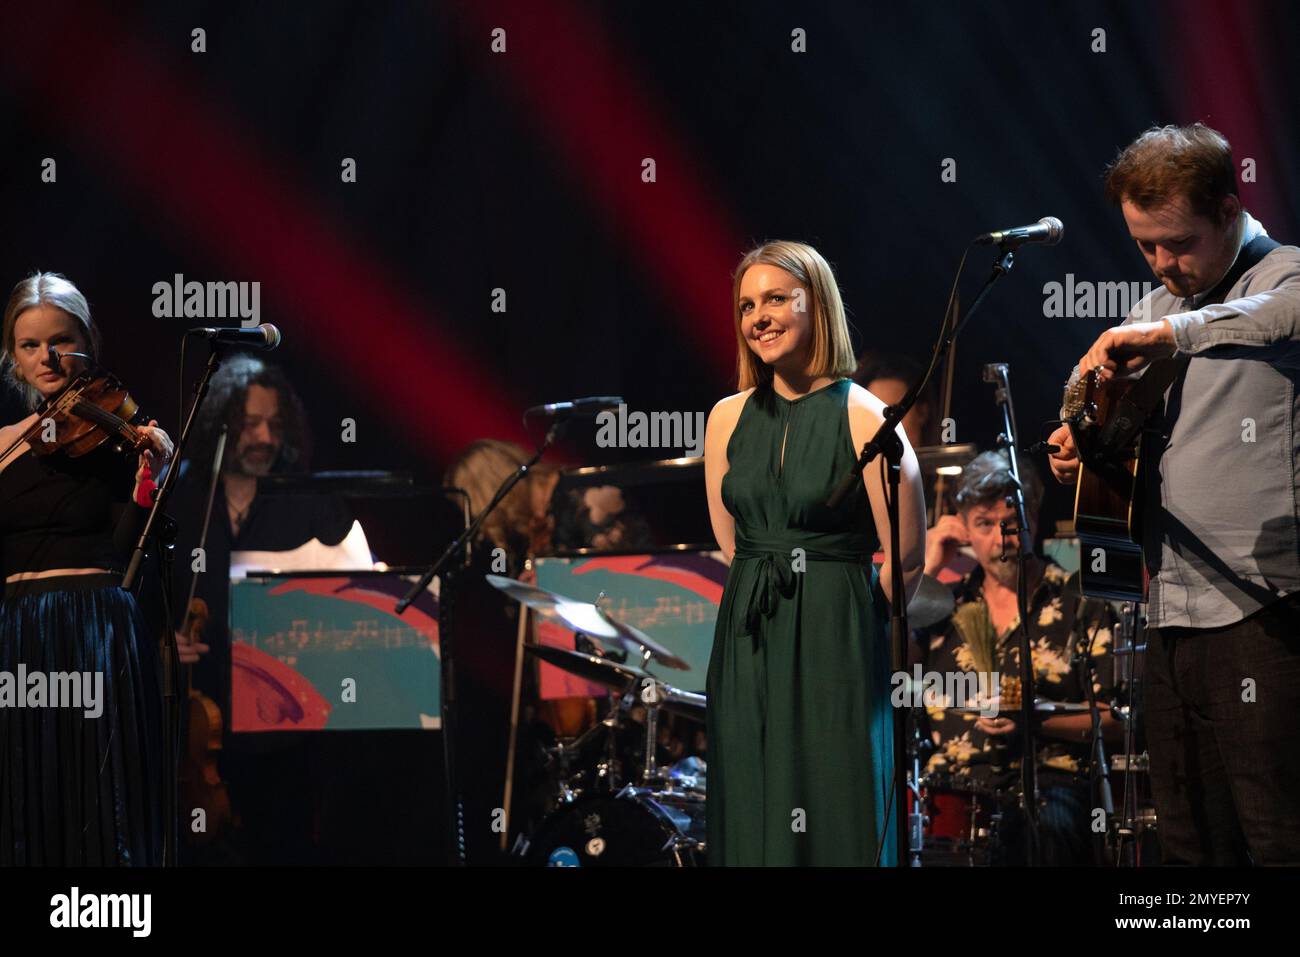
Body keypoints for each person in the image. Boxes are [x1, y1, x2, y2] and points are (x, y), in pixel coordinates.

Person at [1047, 123, 1300, 865]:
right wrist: (1081, 447)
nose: (1163, 263)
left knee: (1280, 838)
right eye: (1145, 246)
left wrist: (1169, 334)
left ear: (1229, 209)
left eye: (1177, 243)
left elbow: (1278, 319)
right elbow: (1115, 430)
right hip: (1171, 613)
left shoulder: (1282, 276)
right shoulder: (1152, 309)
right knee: (1191, 849)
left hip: (1267, 612)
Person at [703, 240, 927, 865]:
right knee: (751, 796)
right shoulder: (726, 417)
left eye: (776, 299)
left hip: (838, 636)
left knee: (834, 802)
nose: (759, 317)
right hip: (748, 635)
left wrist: (850, 626)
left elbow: (907, 558)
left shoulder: (866, 415)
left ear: (817, 307)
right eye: (748, 305)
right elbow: (731, 540)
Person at [0, 272, 174, 865]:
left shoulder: (117, 432)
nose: (46, 357)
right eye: (29, 345)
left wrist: (150, 481)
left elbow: (128, 549)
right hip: (19, 631)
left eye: (61, 340)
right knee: (28, 796)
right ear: (12, 356)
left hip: (95, 625)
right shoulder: (4, 444)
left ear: (86, 343)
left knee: (103, 807)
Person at [167, 354, 352, 863]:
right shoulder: (181, 496)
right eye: (249, 424)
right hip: (199, 726)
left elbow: (350, 594)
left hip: (286, 735)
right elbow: (139, 592)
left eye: (274, 424)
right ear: (220, 425)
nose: (265, 438)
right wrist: (163, 637)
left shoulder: (308, 498)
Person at [917, 451, 1119, 865]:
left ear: (1034, 517)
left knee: (1046, 829)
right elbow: (893, 676)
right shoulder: (942, 610)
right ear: (965, 530)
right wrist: (929, 569)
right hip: (953, 791)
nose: (1000, 538)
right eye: (984, 524)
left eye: (1010, 522)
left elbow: (1116, 719)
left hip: (1049, 782)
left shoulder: (1080, 605)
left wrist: (1032, 719)